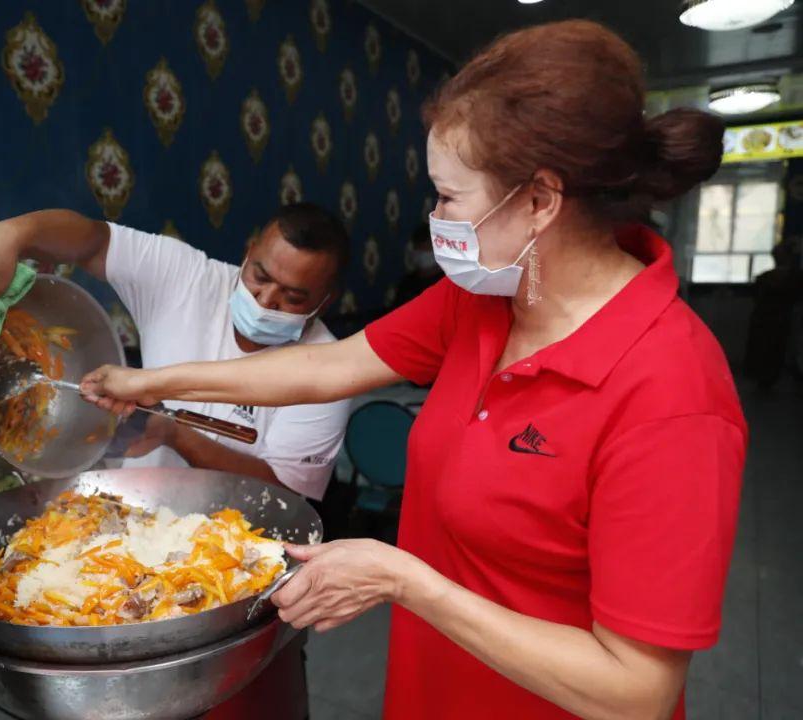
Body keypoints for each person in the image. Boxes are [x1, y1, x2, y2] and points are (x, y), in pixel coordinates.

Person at [77, 20, 747, 720]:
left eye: (449, 198)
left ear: (541, 202)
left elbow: (637, 691)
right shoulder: (484, 302)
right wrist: (147, 383)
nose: (436, 218)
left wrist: (405, 580)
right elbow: (324, 368)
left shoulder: (670, 392)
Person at [0, 202, 353, 502]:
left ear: (325, 301)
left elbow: (287, 492)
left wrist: (176, 434)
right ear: (248, 251)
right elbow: (90, 241)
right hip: (138, 515)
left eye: (293, 297)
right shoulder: (186, 276)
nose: (265, 300)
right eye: (259, 276)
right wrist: (12, 233)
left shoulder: (327, 368)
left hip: (245, 543)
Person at [744, 237, 803, 389]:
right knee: (766, 350)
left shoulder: (788, 277)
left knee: (773, 350)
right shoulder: (768, 277)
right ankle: (765, 378)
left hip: (777, 320)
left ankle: (767, 377)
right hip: (769, 319)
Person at [394, 222, 444, 306]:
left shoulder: (450, 284)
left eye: (427, 248)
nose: (422, 253)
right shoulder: (407, 284)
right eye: (418, 249)